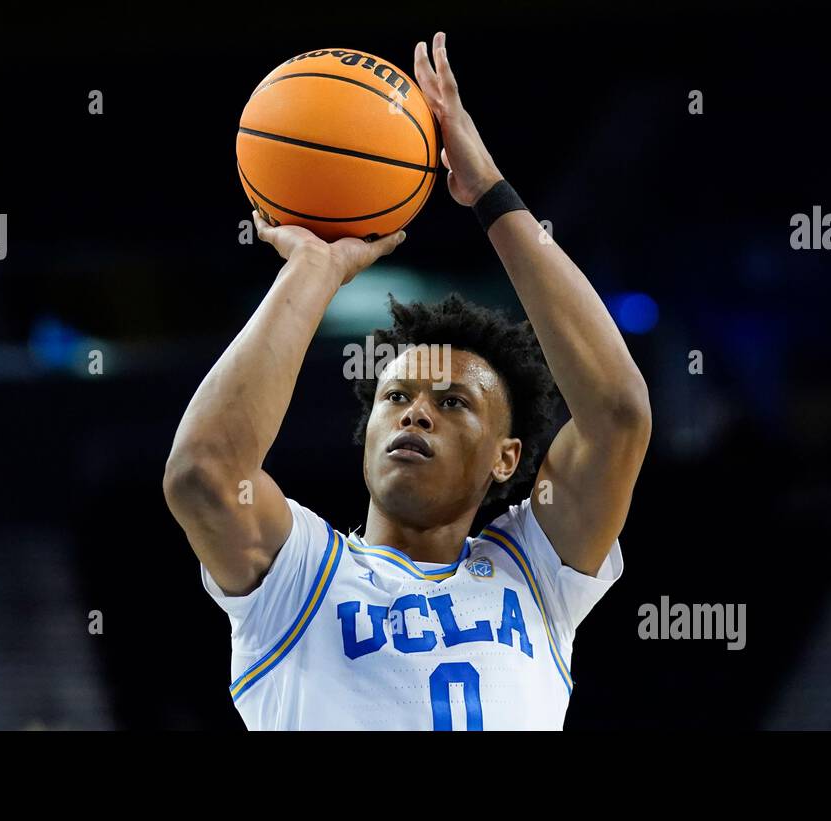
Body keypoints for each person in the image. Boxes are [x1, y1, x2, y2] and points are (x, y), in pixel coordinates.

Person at [163, 32, 651, 729]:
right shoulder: (302, 573)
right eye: (397, 397)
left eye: (452, 402)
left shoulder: (535, 573)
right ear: (367, 431)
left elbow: (618, 415)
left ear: (508, 456)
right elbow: (200, 474)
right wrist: (312, 268)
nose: (414, 416)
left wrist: (488, 191)